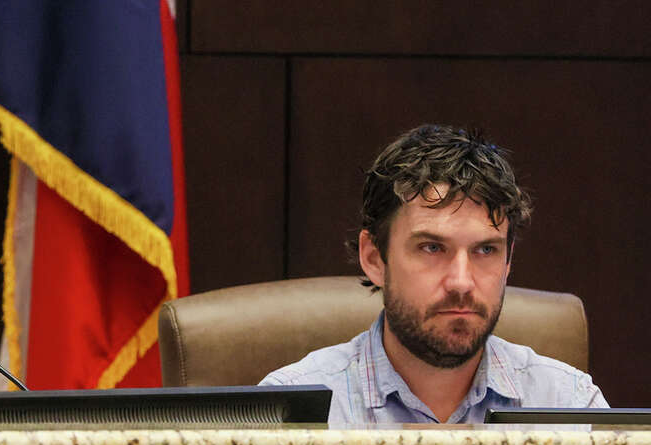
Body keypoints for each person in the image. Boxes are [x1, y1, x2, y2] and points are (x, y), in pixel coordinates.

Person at [260, 125, 606, 424]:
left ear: (508, 262)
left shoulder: (571, 405)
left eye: (486, 250)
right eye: (432, 248)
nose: (461, 282)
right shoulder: (288, 411)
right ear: (374, 258)